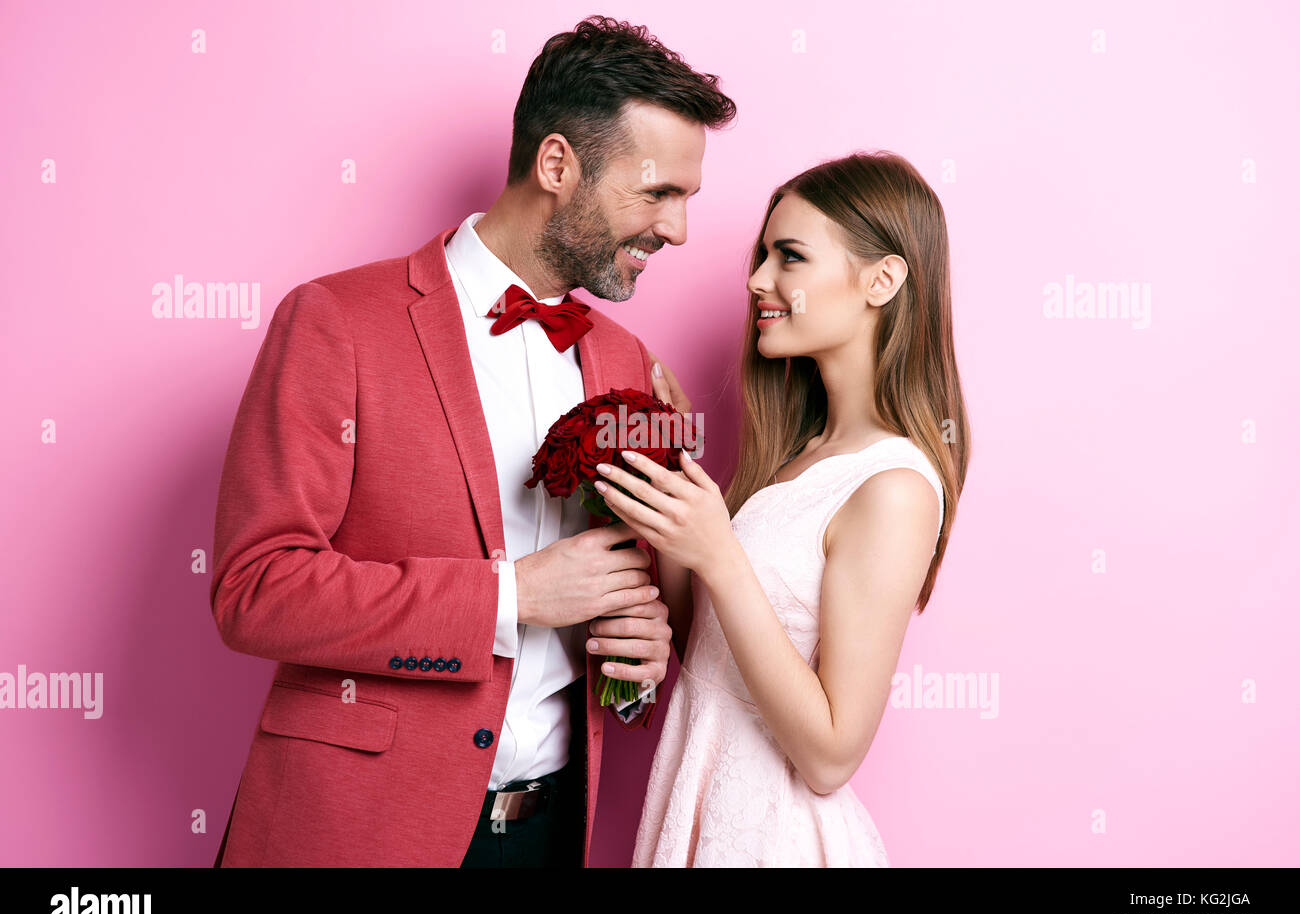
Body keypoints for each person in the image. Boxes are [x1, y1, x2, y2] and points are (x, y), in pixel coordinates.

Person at [208, 16, 736, 867]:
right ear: (557, 164)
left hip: (549, 833)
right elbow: (255, 588)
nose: (676, 231)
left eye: (686, 199)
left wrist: (637, 659)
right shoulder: (335, 323)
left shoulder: (627, 361)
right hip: (356, 833)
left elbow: (624, 611)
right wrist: (511, 597)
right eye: (657, 194)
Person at [599, 151, 971, 866]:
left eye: (789, 256)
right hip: (698, 809)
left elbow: (831, 755)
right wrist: (672, 478)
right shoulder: (799, 454)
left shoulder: (895, 486)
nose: (757, 280)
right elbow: (706, 650)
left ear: (882, 280)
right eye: (762, 254)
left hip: (777, 841)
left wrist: (719, 554)